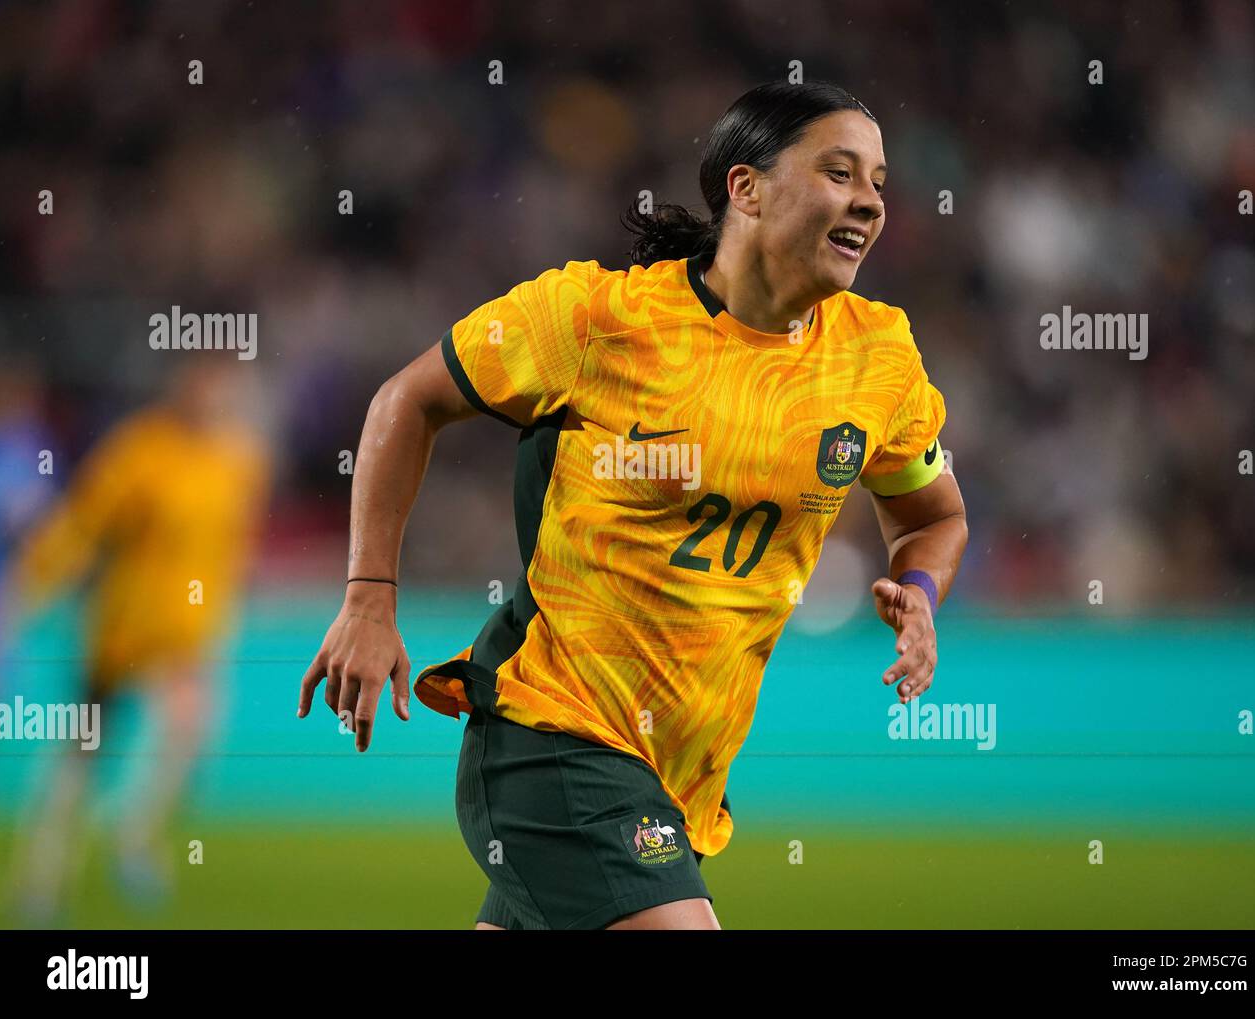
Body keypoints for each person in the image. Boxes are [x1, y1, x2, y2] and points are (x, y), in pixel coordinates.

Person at [298, 80, 968, 930]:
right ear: (747, 188)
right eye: (841, 173)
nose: (870, 201)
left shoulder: (878, 356)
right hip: (551, 730)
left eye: (879, 181)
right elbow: (408, 399)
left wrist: (924, 594)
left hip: (678, 768)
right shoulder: (599, 318)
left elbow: (933, 516)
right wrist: (368, 596)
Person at [5, 354, 271, 924]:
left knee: (192, 724)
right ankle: (43, 877)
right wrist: (25, 590)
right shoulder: (141, 451)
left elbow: (229, 550)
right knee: (79, 762)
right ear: (185, 389)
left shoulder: (240, 461)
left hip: (184, 637)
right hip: (123, 630)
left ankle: (133, 832)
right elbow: (83, 525)